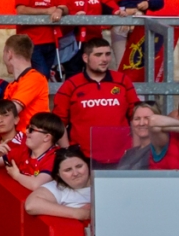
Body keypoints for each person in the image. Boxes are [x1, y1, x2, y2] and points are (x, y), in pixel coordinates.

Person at [53, 36, 137, 166]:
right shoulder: (71, 85)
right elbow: (58, 123)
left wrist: (134, 149)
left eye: (107, 54)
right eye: (98, 55)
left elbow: (136, 116)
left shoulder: (122, 81)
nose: (104, 59)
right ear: (85, 58)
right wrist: (69, 153)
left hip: (122, 158)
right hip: (84, 159)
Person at [12, 0, 65, 77]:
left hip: (53, 40)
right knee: (41, 75)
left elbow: (65, 6)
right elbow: (21, 10)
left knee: (48, 77)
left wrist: (60, 10)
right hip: (32, 41)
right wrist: (46, 11)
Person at [24, 147, 93, 221]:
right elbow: (31, 205)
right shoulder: (57, 187)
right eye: (68, 170)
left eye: (79, 166)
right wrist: (78, 213)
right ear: (58, 174)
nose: (75, 173)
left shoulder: (101, 181)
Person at [114, 102, 161, 169]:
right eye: (137, 119)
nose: (141, 123)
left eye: (147, 118)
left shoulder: (160, 151)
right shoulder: (129, 153)